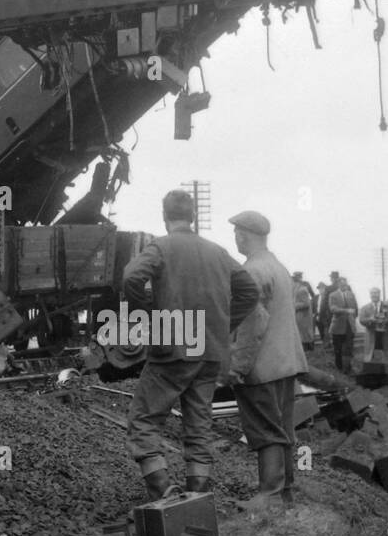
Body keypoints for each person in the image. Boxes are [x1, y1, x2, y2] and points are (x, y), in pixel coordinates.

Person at [122, 189, 259, 499]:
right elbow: (249, 292)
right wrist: (223, 327)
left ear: (164, 215)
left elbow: (131, 277)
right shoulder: (218, 252)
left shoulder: (161, 247)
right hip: (210, 352)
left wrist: (150, 317)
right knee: (198, 426)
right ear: (193, 216)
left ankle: (162, 490)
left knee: (144, 419)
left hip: (173, 347)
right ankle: (197, 494)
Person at [228, 212, 310, 512]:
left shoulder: (251, 271)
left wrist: (237, 365)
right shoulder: (278, 266)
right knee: (283, 427)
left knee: (265, 429)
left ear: (243, 235)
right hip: (285, 362)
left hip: (261, 367)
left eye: (236, 232)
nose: (235, 237)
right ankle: (284, 491)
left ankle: (269, 495)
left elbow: (253, 324)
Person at [359, 286, 388, 362]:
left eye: (376, 293)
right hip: (371, 335)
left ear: (379, 294)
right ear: (370, 295)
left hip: (385, 334)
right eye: (372, 293)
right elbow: (361, 320)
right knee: (370, 357)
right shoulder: (365, 308)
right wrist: (370, 319)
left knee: (387, 357)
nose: (374, 295)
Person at [329, 277, 357, 373]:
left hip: (349, 326)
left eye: (345, 284)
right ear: (338, 285)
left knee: (349, 347)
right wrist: (345, 310)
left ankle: (348, 368)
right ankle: (339, 368)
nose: (344, 286)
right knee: (338, 349)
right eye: (342, 285)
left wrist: (353, 319)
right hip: (337, 326)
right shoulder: (333, 295)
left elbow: (355, 308)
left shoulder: (351, 294)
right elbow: (333, 309)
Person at [291, 271, 316, 354]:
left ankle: (309, 351)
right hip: (300, 316)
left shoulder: (302, 290)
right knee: (303, 333)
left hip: (303, 316)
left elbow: (306, 304)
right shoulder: (296, 289)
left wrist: (293, 306)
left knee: (305, 334)